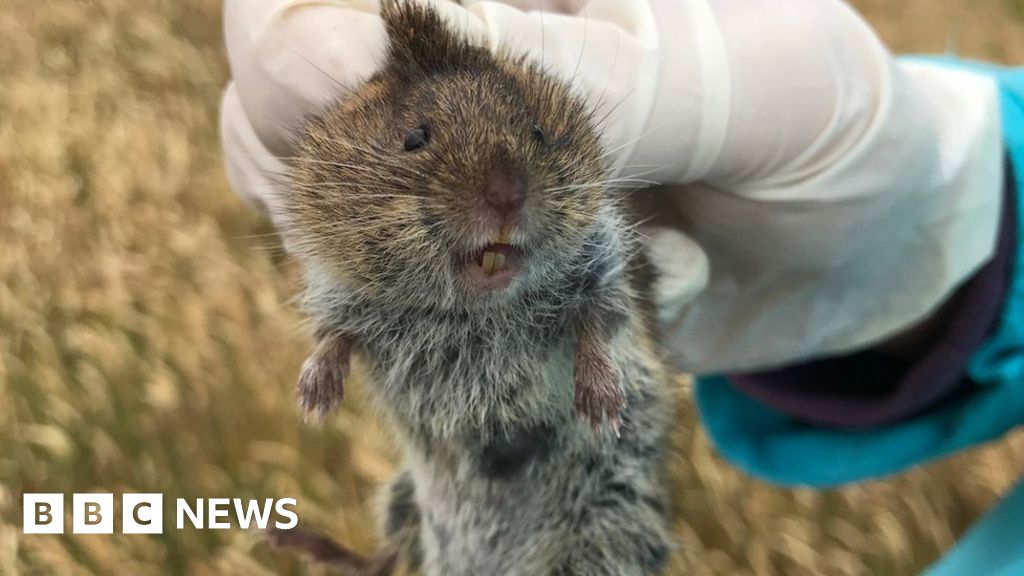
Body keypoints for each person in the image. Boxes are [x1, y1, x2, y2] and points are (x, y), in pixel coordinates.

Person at [220, 1, 1024, 573]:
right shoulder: (357, 233)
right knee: (412, 510)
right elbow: (344, 313)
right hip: (448, 492)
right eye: (420, 142)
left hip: (582, 491)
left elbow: (600, 294)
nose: (503, 191)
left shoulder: (581, 233)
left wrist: (599, 357)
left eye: (533, 137)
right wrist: (990, 228)